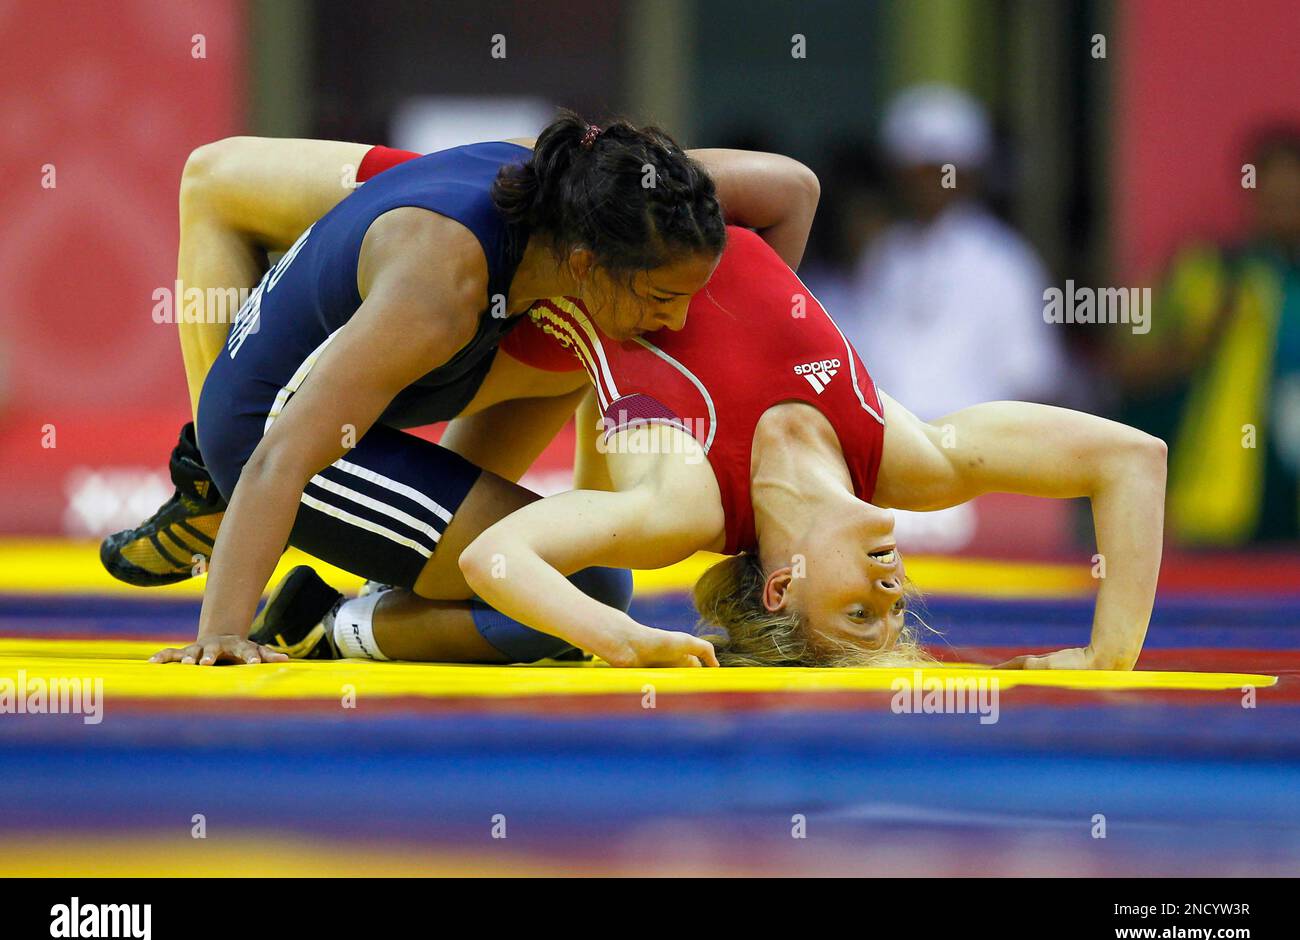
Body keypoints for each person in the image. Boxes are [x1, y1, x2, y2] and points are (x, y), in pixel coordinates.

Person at [196, 227, 1166, 670]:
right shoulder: (906, 453)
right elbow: (1131, 459)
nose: (892, 584)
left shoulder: (687, 507)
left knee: (225, 184)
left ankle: (320, 604)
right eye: (894, 606)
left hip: (504, 288)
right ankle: (328, 603)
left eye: (859, 611)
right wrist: (1108, 655)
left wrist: (622, 642)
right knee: (788, 190)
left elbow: (499, 557)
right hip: (629, 209)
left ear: (779, 586)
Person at [140, 113, 824, 668]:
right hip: (269, 434)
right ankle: (323, 620)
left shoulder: (590, 184)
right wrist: (221, 631)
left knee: (583, 347)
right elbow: (281, 453)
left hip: (395, 367)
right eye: (663, 296)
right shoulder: (442, 283)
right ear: (586, 263)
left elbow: (793, 189)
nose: (680, 321)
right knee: (583, 589)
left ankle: (401, 579)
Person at [1115, 126, 1300, 544]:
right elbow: (1132, 370)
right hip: (1224, 495)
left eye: (1294, 200)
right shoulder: (1208, 269)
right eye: (1274, 200)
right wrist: (1206, 335)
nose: (1285, 213)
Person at [842, 84, 1065, 420]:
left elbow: (1032, 381)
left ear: (969, 174)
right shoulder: (885, 254)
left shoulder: (1004, 262)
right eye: (914, 171)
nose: (926, 183)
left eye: (939, 170)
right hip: (890, 447)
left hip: (974, 455)